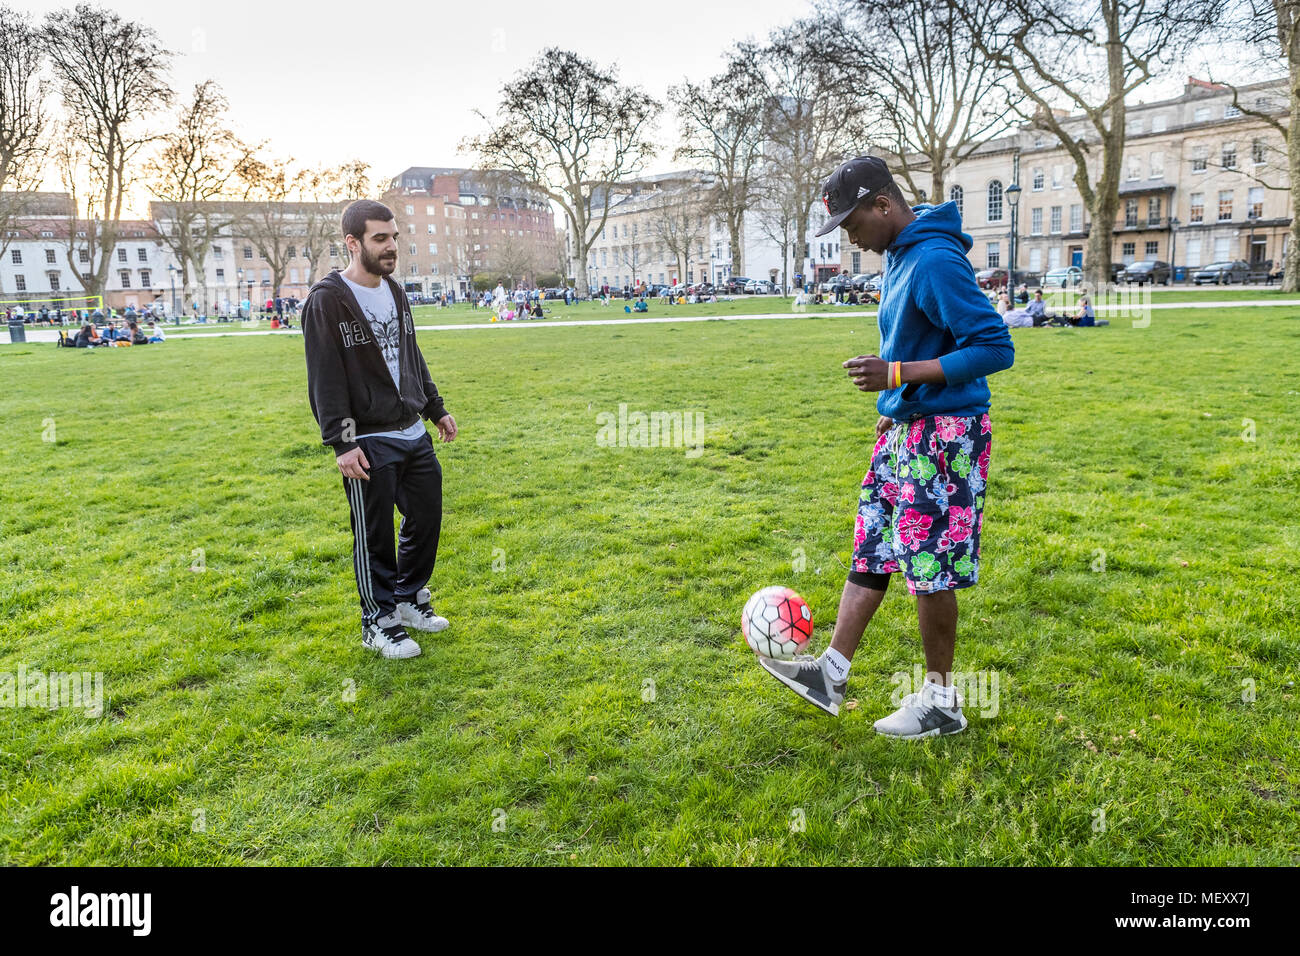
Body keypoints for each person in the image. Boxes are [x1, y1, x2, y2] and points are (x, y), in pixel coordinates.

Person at [758, 156, 1014, 738]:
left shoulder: (934, 259)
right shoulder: (900, 254)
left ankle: (941, 702)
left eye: (853, 225)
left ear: (884, 204)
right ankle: (831, 673)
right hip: (909, 430)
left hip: (945, 438)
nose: (851, 238)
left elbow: (995, 347)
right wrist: (896, 410)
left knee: (929, 568)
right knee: (872, 546)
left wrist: (897, 374)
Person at [302, 199, 458, 661]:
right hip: (366, 437)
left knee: (426, 517)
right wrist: (342, 443)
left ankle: (409, 599)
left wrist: (434, 406)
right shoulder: (326, 301)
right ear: (352, 243)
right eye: (380, 239)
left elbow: (411, 354)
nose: (392, 246)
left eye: (394, 237)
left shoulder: (395, 290)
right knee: (375, 533)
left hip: (411, 428)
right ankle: (378, 620)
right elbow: (323, 377)